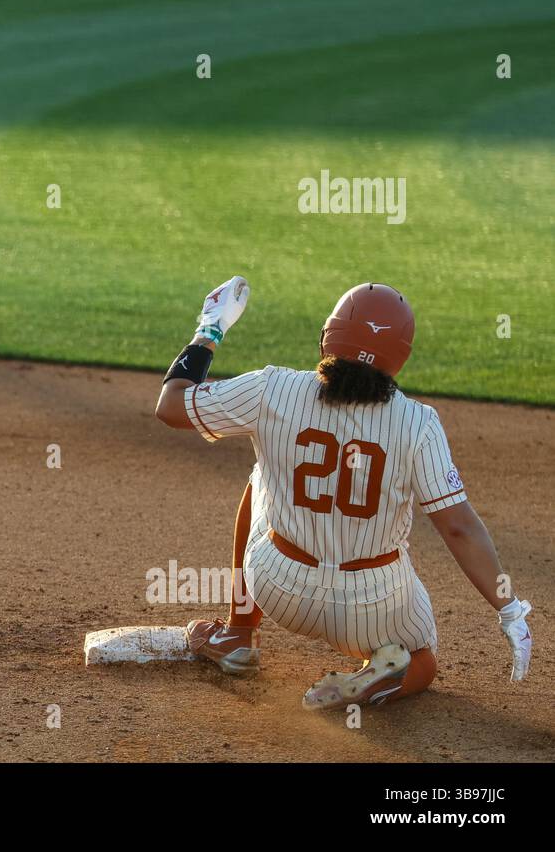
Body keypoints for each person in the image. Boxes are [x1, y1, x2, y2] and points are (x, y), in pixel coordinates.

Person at [153, 278, 532, 709]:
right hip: (373, 607)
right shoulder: (418, 424)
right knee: (422, 661)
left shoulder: (272, 388)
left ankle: (238, 635)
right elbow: (460, 529)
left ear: (327, 337)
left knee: (261, 478)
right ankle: (377, 677)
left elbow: (171, 407)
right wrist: (509, 609)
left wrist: (210, 329)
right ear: (400, 358)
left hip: (278, 585)